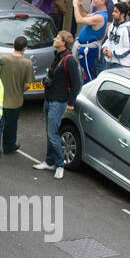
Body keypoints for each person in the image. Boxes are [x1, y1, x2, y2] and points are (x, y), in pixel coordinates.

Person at [36, 31, 80, 179]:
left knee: (52, 133)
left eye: (58, 38)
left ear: (64, 43)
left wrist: (71, 102)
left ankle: (59, 164)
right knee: (49, 132)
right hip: (49, 98)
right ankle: (49, 161)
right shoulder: (58, 55)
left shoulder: (69, 61)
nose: (55, 39)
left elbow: (76, 83)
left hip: (58, 101)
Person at [0, 40, 34, 158]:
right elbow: (28, 85)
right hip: (16, 101)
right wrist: (20, 91)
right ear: (25, 48)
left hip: (0, 98)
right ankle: (9, 146)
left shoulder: (3, 59)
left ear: (13, 45)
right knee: (11, 125)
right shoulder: (27, 63)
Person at [70, 0, 110, 80]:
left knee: (87, 75)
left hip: (88, 50)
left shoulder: (100, 17)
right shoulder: (98, 13)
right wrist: (80, 6)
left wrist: (75, 6)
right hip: (83, 48)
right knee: (80, 74)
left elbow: (79, 20)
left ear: (103, 2)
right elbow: (85, 15)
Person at [100, 2, 130, 69]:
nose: (113, 13)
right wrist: (105, 47)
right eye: (113, 11)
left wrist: (113, 53)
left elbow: (129, 48)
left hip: (120, 66)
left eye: (116, 12)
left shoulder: (127, 29)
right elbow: (109, 39)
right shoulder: (112, 25)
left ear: (122, 14)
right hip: (108, 62)